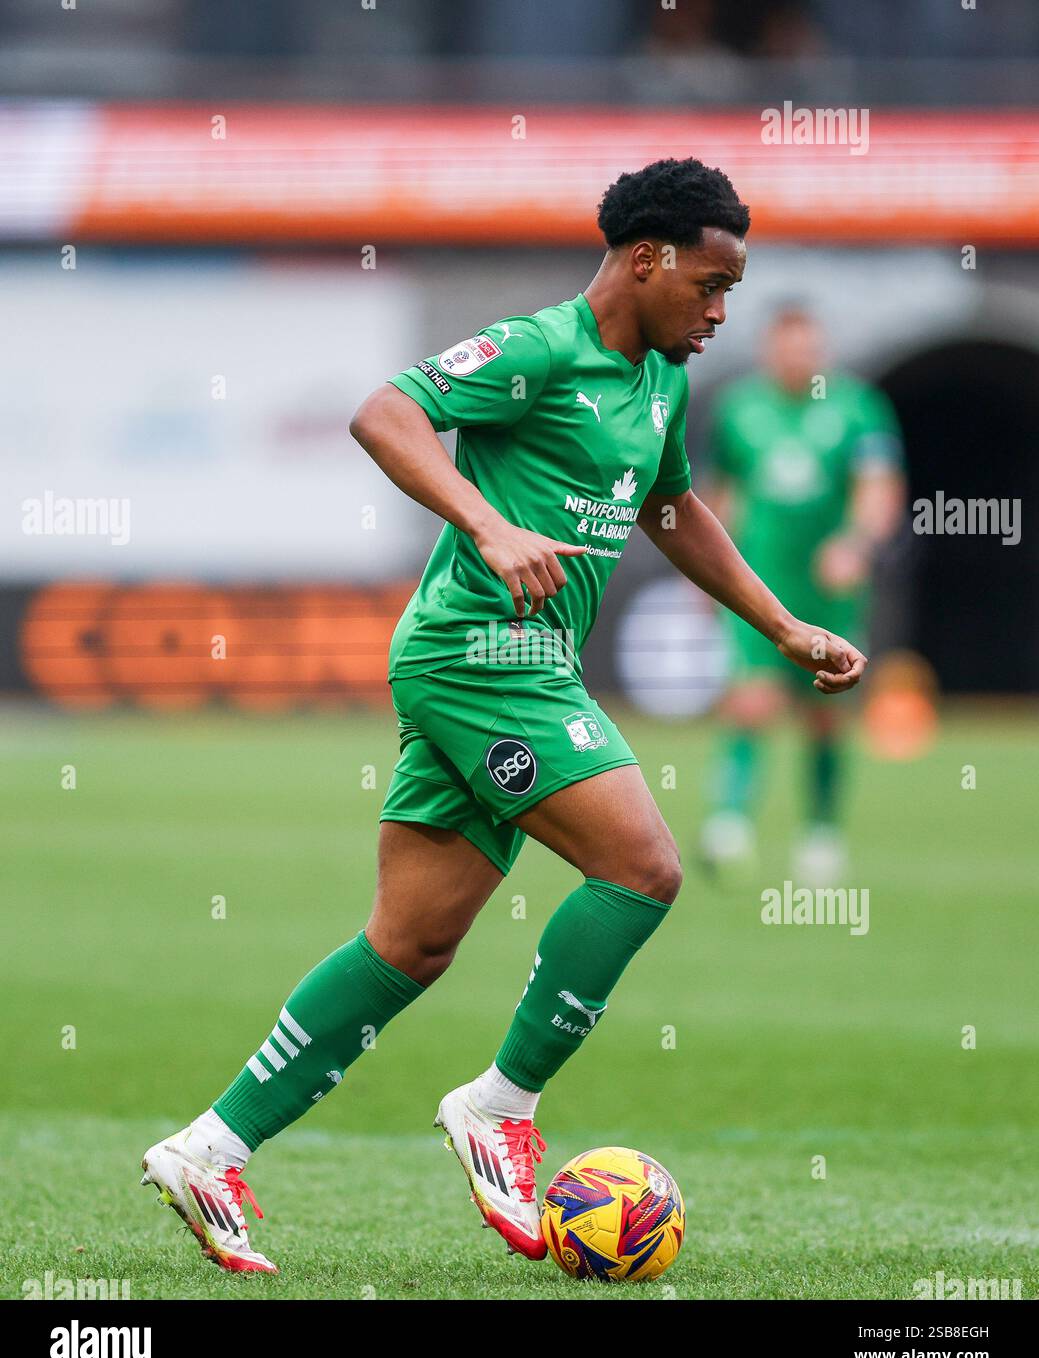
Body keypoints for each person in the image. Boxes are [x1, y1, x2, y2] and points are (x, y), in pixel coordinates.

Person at [140, 158, 867, 1274]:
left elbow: (672, 510)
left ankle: (208, 1146)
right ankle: (499, 1105)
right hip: (483, 654)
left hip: (515, 664)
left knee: (411, 943)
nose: (721, 312)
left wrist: (779, 626)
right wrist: (487, 523)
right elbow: (384, 413)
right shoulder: (537, 350)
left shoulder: (660, 383)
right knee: (643, 866)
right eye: (711, 284)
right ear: (646, 258)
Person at [700, 306, 904, 884]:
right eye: (787, 347)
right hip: (761, 582)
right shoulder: (741, 408)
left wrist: (856, 545)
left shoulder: (857, 408)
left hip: (829, 587)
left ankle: (820, 832)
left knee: (825, 712)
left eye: (808, 347)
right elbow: (722, 492)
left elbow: (879, 489)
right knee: (751, 700)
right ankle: (729, 826)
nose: (798, 358)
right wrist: (715, 569)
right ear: (770, 350)